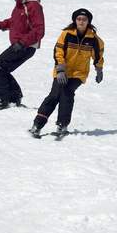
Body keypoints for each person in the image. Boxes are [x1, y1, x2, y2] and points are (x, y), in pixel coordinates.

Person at [30, 8, 104, 137]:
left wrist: (99, 70)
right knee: (54, 95)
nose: (81, 22)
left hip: (79, 73)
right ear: (75, 20)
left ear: (88, 21)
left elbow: (98, 57)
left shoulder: (94, 39)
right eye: (79, 19)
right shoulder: (66, 34)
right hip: (62, 71)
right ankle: (37, 124)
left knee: (67, 93)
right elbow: (58, 52)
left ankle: (62, 125)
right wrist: (60, 70)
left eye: (84, 19)